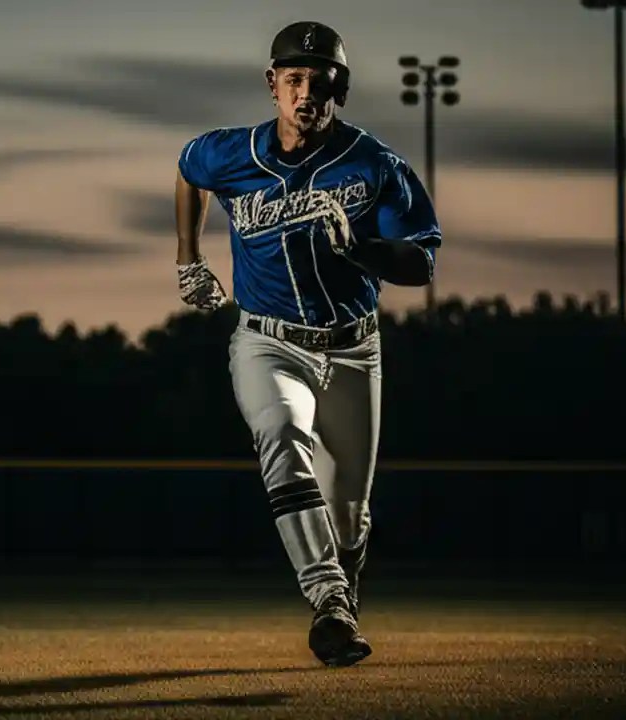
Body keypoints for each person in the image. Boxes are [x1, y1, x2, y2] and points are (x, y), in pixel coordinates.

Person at [172, 20, 442, 667]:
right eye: (294, 79)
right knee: (281, 432)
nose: (306, 93)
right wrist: (187, 257)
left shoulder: (374, 164)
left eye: (321, 82)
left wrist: (365, 249)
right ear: (272, 83)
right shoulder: (234, 153)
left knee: (349, 513)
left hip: (352, 348)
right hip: (267, 341)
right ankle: (329, 600)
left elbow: (423, 260)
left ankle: (343, 590)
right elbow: (188, 168)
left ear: (339, 91)